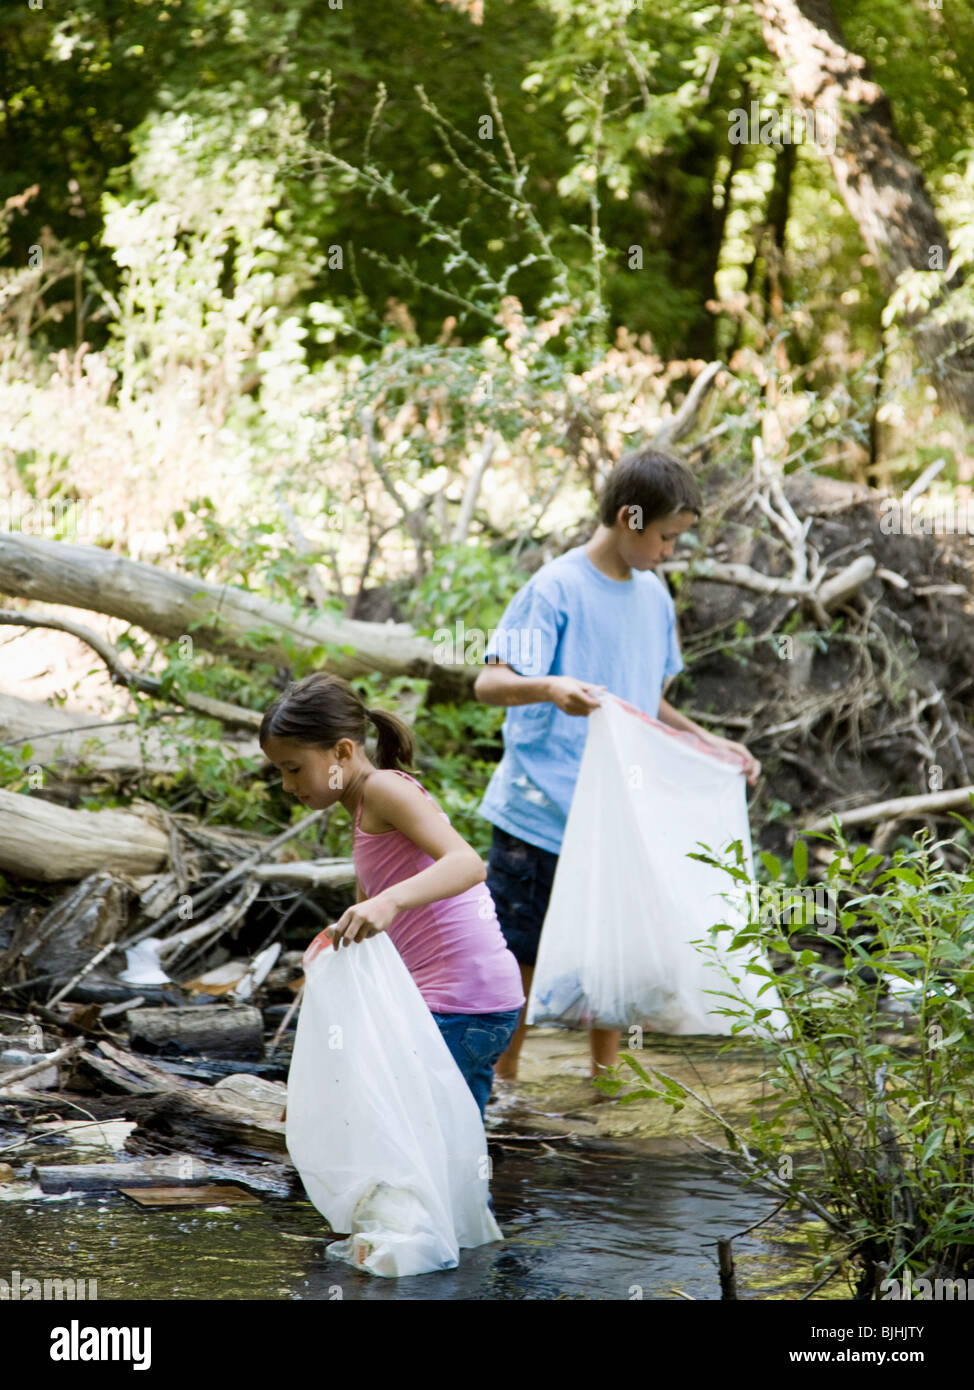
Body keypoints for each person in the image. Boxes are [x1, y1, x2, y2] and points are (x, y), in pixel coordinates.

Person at [473, 446, 761, 1084]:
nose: (669, 553)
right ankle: (505, 1088)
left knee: (612, 950)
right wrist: (551, 687)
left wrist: (713, 744)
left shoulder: (654, 598)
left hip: (614, 815)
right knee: (520, 954)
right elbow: (489, 682)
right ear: (630, 519)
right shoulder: (555, 588)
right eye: (665, 537)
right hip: (540, 813)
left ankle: (603, 1087)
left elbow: (646, 700)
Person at [260, 671, 524, 1122]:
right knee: (453, 1145)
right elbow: (374, 946)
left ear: (342, 751)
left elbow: (467, 863)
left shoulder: (384, 789)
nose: (287, 785)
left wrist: (388, 901)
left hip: (456, 1006)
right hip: (482, 1004)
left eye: (293, 768)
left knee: (402, 1138)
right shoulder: (365, 808)